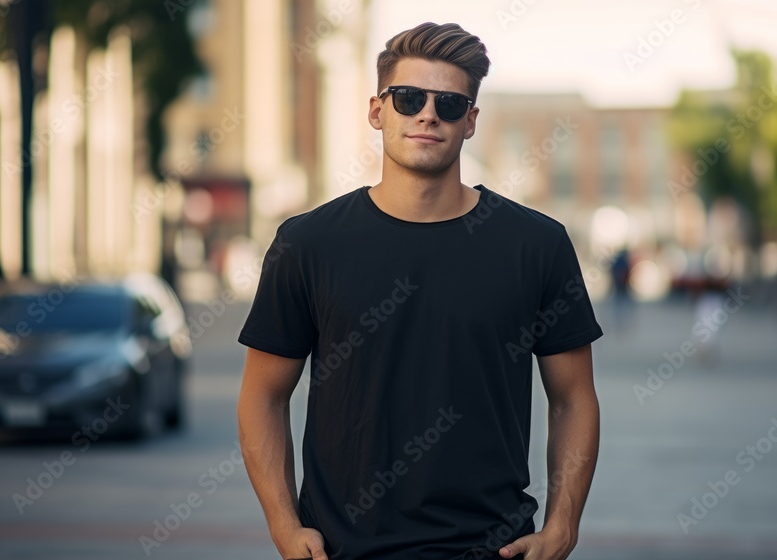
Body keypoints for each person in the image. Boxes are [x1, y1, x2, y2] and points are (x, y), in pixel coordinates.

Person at [236, 22, 603, 560]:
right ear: (377, 110)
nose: (428, 114)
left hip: (493, 550)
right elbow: (261, 396)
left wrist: (563, 524)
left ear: (471, 121)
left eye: (450, 104)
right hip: (343, 551)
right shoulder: (308, 243)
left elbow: (573, 398)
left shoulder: (536, 245)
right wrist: (283, 527)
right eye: (408, 98)